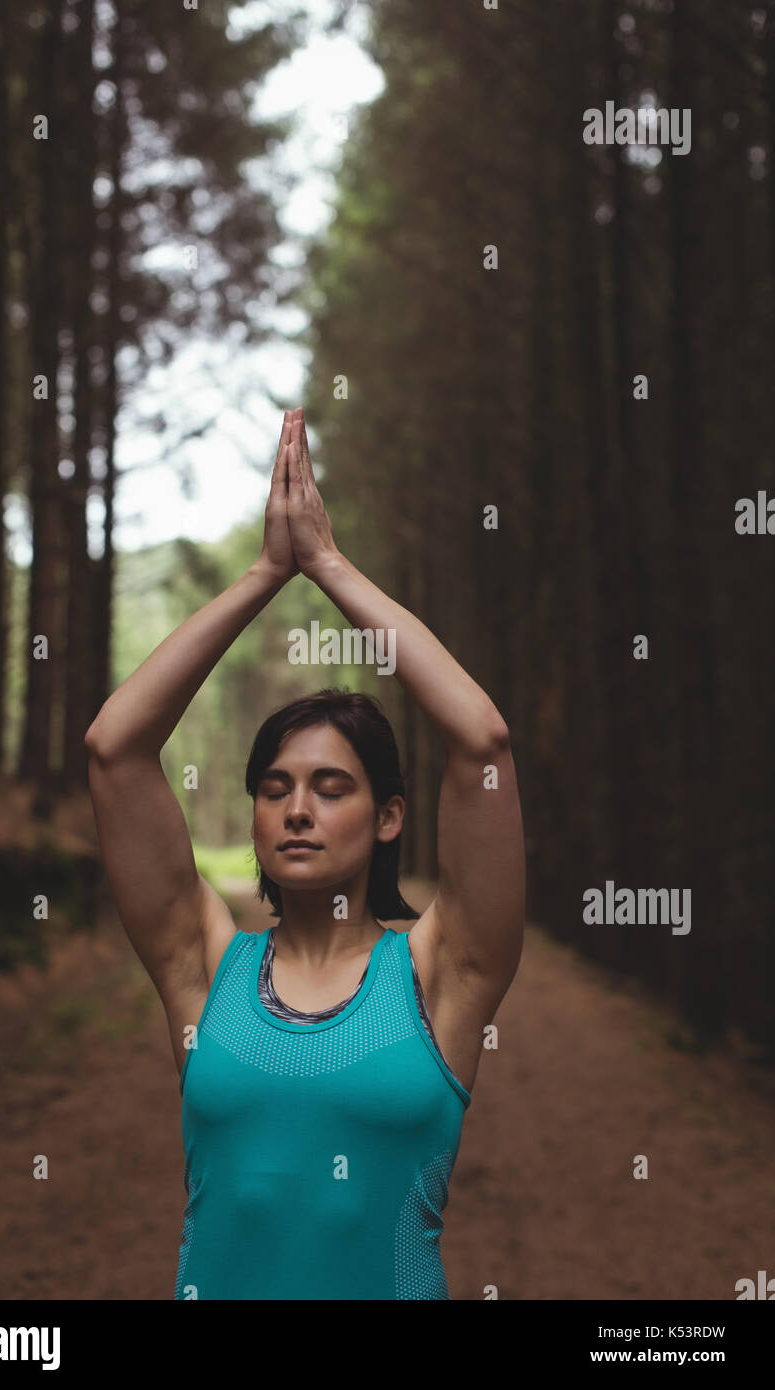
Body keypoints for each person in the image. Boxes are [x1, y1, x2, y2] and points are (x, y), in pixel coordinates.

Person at [85, 407, 525, 1299]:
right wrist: (262, 575)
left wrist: (326, 565)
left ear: (390, 817)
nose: (297, 809)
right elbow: (114, 750)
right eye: (275, 788)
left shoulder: (442, 971)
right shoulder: (204, 967)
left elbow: (481, 742)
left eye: (332, 788)